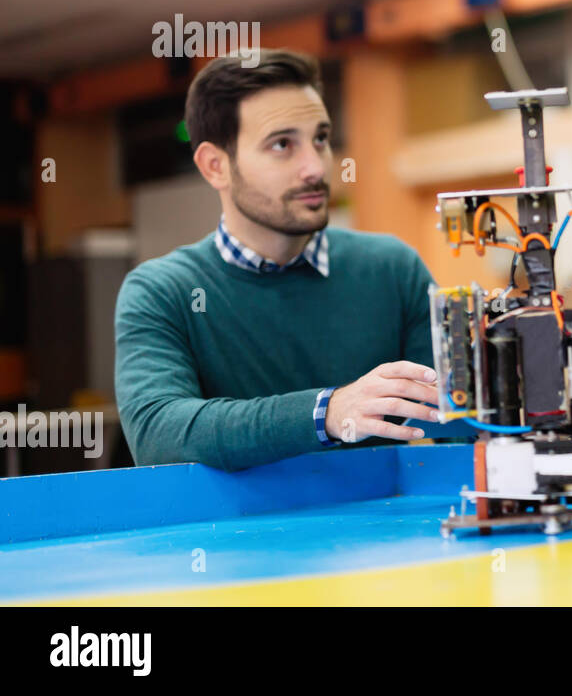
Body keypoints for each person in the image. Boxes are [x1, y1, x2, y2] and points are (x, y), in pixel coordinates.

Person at [114, 49, 440, 471]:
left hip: (381, 530)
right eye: (283, 144)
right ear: (216, 166)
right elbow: (159, 434)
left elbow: (451, 416)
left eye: (320, 138)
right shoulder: (162, 291)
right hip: (230, 535)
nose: (314, 167)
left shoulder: (393, 269)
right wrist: (327, 413)